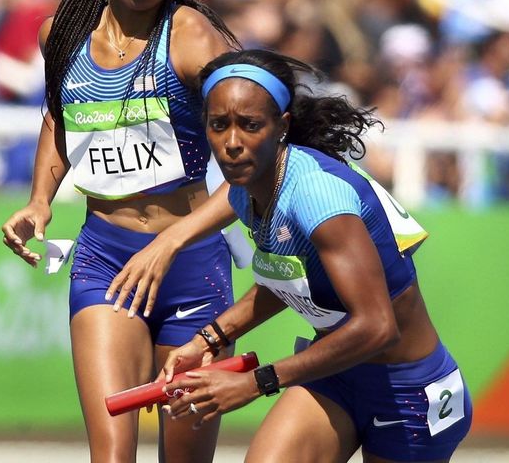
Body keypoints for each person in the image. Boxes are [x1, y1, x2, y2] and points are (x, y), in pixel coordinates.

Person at [0, 0, 242, 461]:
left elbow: (255, 164)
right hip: (105, 261)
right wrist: (40, 199)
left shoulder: (192, 38)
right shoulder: (60, 35)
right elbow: (61, 117)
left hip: (191, 265)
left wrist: (171, 242)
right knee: (111, 455)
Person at [153, 49, 473, 462]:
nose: (231, 143)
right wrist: (208, 339)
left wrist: (256, 382)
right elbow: (286, 279)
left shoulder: (314, 195)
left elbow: (378, 327)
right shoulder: (248, 186)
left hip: (408, 393)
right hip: (336, 376)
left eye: (250, 125)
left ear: (281, 126)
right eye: (219, 125)